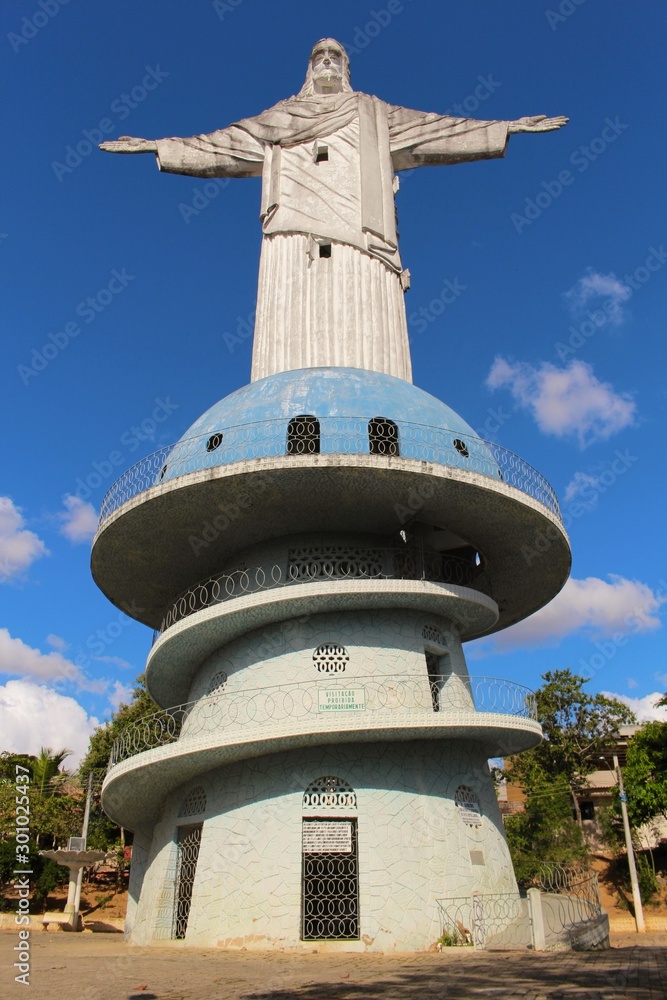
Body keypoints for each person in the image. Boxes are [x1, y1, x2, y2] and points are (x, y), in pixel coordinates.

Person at [101, 39, 567, 383]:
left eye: (336, 56)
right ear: (309, 69)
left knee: (369, 335)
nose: (327, 61)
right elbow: (221, 145)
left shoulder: (374, 114)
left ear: (346, 67)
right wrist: (159, 147)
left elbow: (437, 131)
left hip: (366, 241)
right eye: (319, 56)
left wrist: (504, 128)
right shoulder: (280, 119)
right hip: (288, 237)